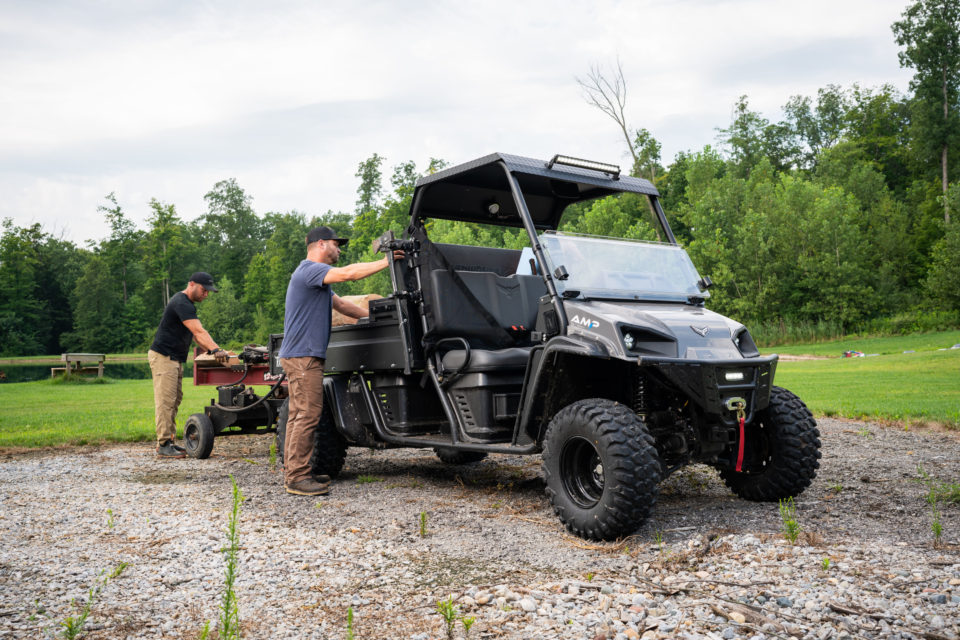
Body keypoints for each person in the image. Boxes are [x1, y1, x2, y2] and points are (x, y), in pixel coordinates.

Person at [279, 226, 402, 496]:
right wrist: (387, 261)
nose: (339, 250)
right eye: (336, 244)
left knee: (299, 415)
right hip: (303, 356)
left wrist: (375, 317)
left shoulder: (317, 281)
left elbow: (344, 306)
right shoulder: (310, 270)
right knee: (307, 415)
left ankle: (297, 471)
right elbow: (349, 273)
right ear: (321, 244)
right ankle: (297, 478)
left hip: (301, 355)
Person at [148, 272, 229, 458]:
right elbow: (199, 331)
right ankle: (163, 445)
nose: (206, 294)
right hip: (163, 357)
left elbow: (196, 336)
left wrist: (212, 351)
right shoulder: (181, 302)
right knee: (166, 402)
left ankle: (168, 442)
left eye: (208, 291)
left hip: (173, 358)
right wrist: (216, 350)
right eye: (203, 290)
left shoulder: (186, 305)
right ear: (191, 284)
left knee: (174, 400)